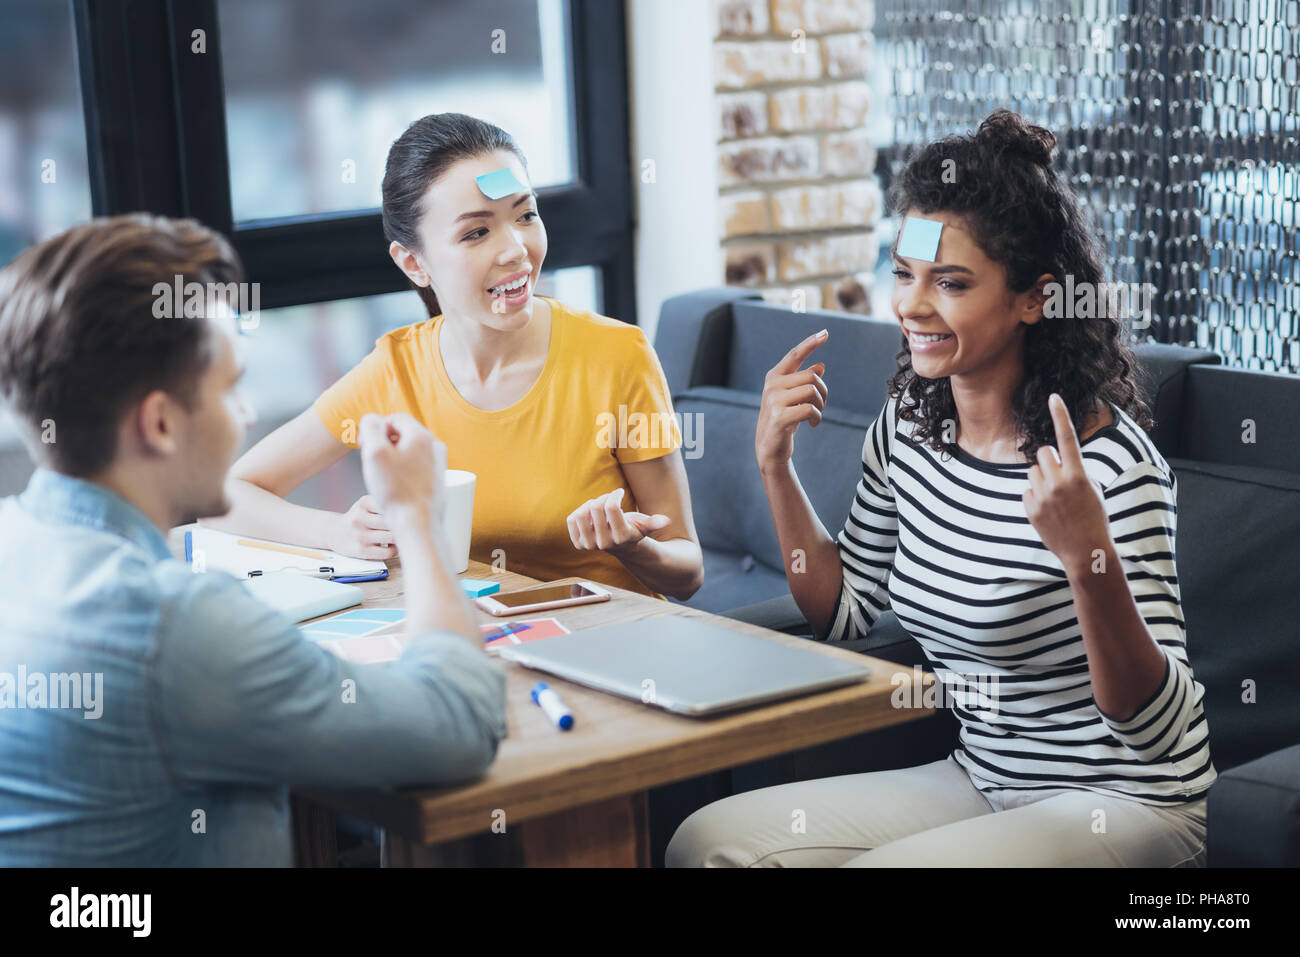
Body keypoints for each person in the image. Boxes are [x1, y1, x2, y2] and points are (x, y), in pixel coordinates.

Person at [668, 110, 1216, 867]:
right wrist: (775, 465)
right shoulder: (910, 430)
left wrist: (1089, 556)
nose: (912, 306)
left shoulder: (1108, 465)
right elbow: (847, 615)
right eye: (903, 274)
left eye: (950, 282)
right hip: (985, 777)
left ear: (1034, 299)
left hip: (1124, 801)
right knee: (708, 844)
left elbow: (1156, 726)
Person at [0, 214, 505, 866]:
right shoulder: (175, 624)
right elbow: (460, 724)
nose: (244, 414)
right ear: (159, 422)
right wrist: (416, 516)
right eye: (231, 387)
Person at [202, 113, 703, 602]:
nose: (517, 250)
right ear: (414, 263)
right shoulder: (396, 370)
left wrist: (633, 549)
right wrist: (337, 532)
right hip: (475, 647)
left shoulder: (617, 355)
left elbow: (687, 571)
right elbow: (224, 499)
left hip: (609, 646)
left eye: (526, 215)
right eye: (476, 232)